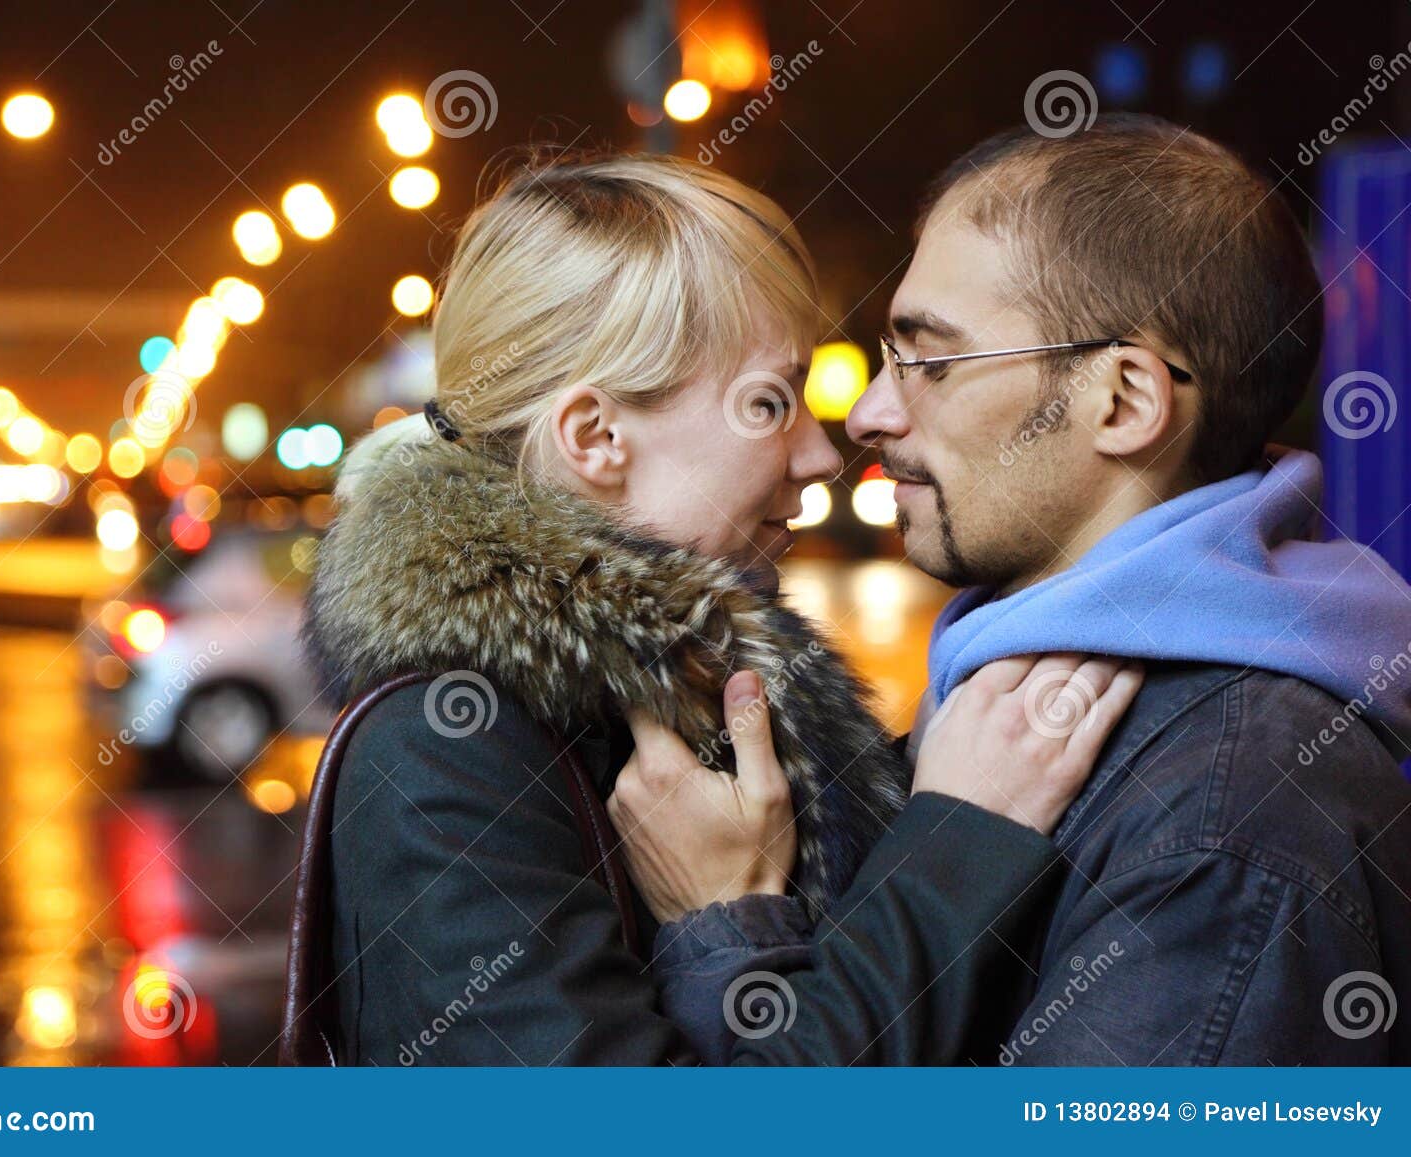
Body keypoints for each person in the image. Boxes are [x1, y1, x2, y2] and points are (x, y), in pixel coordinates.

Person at [291, 151, 1142, 1065]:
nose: (822, 455)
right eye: (772, 403)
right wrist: (954, 846)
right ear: (596, 436)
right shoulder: (443, 756)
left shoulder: (689, 692)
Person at [612, 115, 1411, 1065]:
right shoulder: (1023, 705)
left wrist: (730, 931)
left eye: (932, 361)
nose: (868, 413)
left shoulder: (1228, 821)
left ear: (1123, 400)